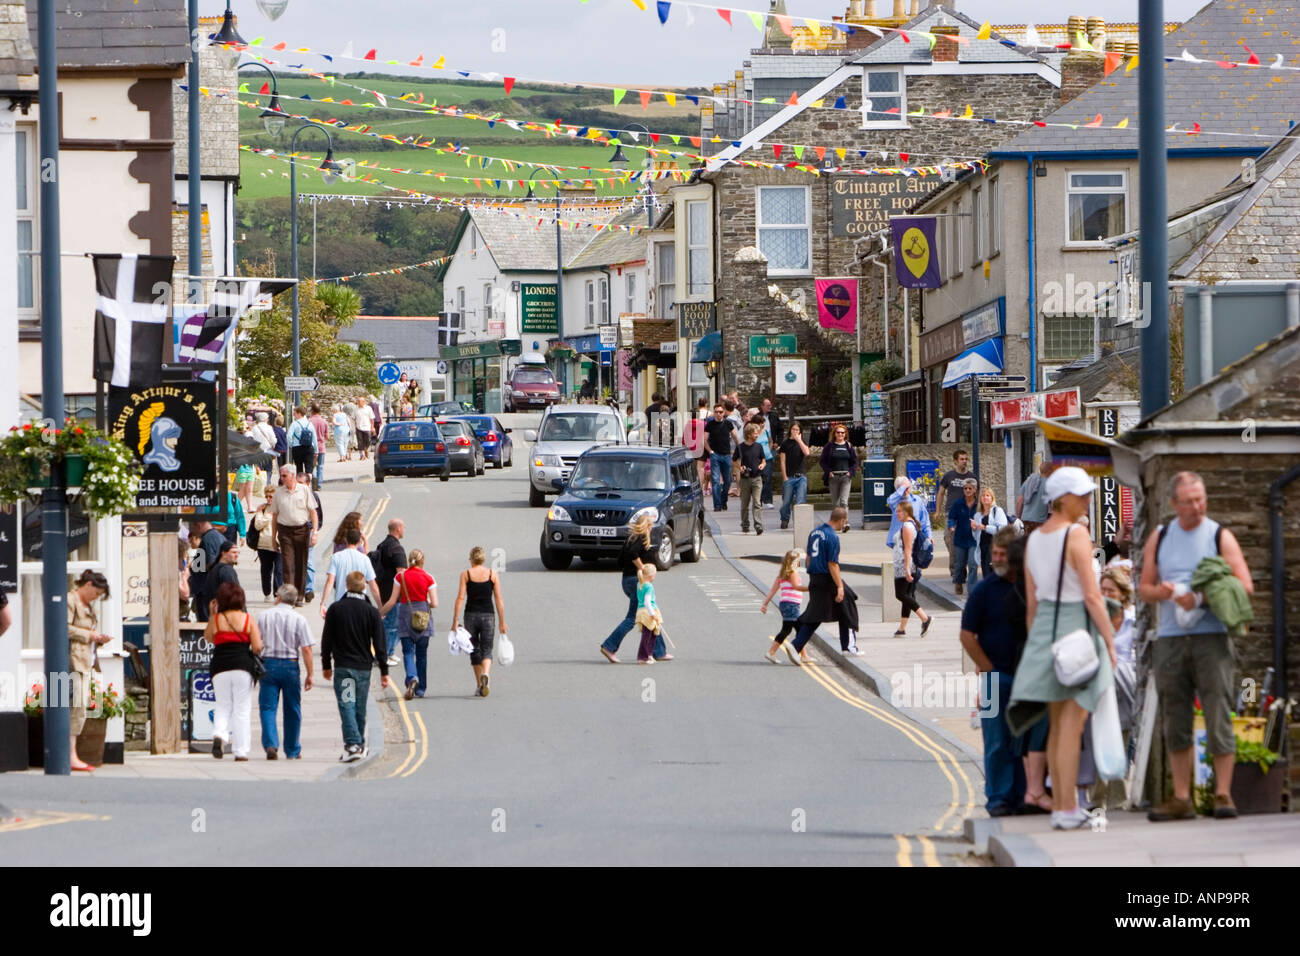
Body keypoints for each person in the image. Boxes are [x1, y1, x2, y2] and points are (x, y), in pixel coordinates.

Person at [1138, 471, 1253, 822]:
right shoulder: (1161, 535)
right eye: (1188, 501)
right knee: (1176, 716)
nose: (1197, 507)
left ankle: (1222, 794)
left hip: (1211, 636)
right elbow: (1144, 588)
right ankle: (1181, 798)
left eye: (1201, 499)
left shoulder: (1219, 535)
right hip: (1171, 638)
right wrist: (1168, 593)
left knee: (1218, 710)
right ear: (1173, 504)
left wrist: (1201, 598)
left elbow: (1244, 584)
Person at [1007, 466, 1117, 831]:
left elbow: (1034, 603)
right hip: (1076, 628)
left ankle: (1062, 807)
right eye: (1083, 494)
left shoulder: (1034, 539)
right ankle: (1068, 806)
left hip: (1046, 631)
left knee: (1057, 725)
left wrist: (1036, 646)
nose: (1088, 499)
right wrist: (1110, 643)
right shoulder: (1077, 534)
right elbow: (1092, 595)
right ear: (1063, 499)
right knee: (1072, 724)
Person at [958, 527, 1025, 815]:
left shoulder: (1027, 587)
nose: (995, 560)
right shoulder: (983, 590)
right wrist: (988, 670)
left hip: (1026, 677)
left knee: (1024, 741)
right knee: (995, 742)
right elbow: (967, 635)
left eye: (1001, 555)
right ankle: (998, 799)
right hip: (994, 679)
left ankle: (1023, 797)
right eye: (993, 554)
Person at [1003, 535, 1052, 814]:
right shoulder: (1026, 593)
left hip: (1012, 669)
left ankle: (1025, 794)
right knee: (1026, 729)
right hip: (1002, 673)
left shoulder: (1018, 591)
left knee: (1019, 729)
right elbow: (969, 636)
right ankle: (1026, 793)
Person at [321, 570, 389, 762]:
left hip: (344, 668)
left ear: (347, 586)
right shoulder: (371, 612)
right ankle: (358, 744)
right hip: (363, 669)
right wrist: (384, 671)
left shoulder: (336, 609)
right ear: (364, 586)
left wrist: (326, 664)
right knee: (359, 706)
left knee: (347, 704)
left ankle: (353, 744)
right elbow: (380, 644)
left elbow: (327, 640)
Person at [783, 506, 859, 664]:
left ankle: (797, 645)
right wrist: (839, 586)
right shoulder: (832, 536)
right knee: (847, 601)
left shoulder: (815, 532)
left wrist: (812, 574)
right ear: (842, 520)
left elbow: (808, 556)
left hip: (815, 576)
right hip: (827, 577)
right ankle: (848, 647)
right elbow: (833, 564)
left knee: (818, 614)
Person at [599, 514, 670, 663]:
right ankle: (609, 646)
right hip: (635, 581)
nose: (651, 529)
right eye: (650, 526)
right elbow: (632, 554)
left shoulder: (631, 538)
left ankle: (659, 651)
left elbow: (621, 558)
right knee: (633, 617)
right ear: (647, 526)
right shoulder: (641, 537)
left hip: (628, 580)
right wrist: (643, 569)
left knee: (650, 613)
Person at [206, 581, 264, 761]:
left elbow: (208, 638)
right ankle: (240, 751)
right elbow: (257, 646)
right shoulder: (247, 619)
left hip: (220, 666)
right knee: (242, 709)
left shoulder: (217, 619)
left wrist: (211, 615)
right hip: (242, 666)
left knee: (223, 705)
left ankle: (219, 735)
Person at [256, 584, 314, 760]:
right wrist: (310, 674)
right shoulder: (299, 619)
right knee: (293, 709)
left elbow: (256, 643)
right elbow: (306, 649)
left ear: (278, 598)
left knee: (267, 708)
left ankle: (271, 744)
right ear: (294, 601)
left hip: (268, 664)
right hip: (290, 665)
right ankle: (292, 749)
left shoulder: (263, 616)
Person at [66, 570, 113, 771]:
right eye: (96, 593)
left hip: (85, 660)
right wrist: (91, 635)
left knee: (79, 708)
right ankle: (70, 756)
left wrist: (98, 639)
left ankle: (72, 755)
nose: (96, 597)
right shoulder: (70, 600)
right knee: (74, 708)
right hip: (73, 661)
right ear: (88, 585)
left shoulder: (86, 605)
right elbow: (64, 627)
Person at [452, 546, 509, 697]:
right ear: (483, 559)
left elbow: (460, 598)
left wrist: (455, 620)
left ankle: (479, 684)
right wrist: (502, 622)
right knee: (487, 649)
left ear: (471, 559)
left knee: (474, 650)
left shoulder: (466, 574)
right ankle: (486, 674)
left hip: (470, 615)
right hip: (488, 615)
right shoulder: (492, 574)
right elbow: (499, 600)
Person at [268, 465, 318, 604]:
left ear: (292, 475)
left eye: (284, 476)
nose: (281, 478)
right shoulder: (279, 493)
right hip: (285, 532)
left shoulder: (304, 490)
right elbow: (274, 517)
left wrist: (315, 533)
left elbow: (313, 512)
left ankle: (300, 596)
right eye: (281, 476)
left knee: (301, 564)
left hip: (302, 530)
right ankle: (290, 597)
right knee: (287, 565)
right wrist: (273, 538)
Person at [394, 549, 436, 699]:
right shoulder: (428, 577)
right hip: (423, 616)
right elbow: (435, 603)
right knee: (422, 654)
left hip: (406, 615)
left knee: (408, 652)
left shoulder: (401, 576)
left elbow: (394, 599)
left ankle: (412, 677)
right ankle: (421, 689)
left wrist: (381, 611)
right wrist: (427, 601)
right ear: (422, 561)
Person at [371, 519, 408, 667]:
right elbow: (402, 574)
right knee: (392, 625)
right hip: (394, 594)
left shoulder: (383, 545)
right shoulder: (397, 549)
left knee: (392, 624)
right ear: (398, 529)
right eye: (403, 527)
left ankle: (390, 652)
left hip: (383, 589)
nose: (404, 529)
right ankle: (384, 655)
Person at [892, 501, 933, 638]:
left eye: (899, 511)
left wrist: (907, 570)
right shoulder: (911, 525)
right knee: (908, 596)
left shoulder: (907, 526)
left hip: (905, 566)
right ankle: (902, 628)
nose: (897, 513)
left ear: (907, 512)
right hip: (906, 565)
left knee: (901, 595)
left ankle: (925, 618)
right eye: (897, 511)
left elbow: (908, 549)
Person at [320, 527, 382, 613]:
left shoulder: (336, 557)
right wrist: (380, 606)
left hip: (341, 603)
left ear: (346, 540)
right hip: (360, 604)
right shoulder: (365, 559)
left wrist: (323, 604)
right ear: (359, 541)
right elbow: (373, 585)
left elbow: (330, 581)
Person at [762, 549, 807, 663]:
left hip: (785, 604)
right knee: (787, 630)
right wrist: (811, 588)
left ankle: (805, 656)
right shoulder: (793, 573)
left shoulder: (781, 576)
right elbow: (797, 587)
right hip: (791, 605)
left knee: (800, 629)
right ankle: (771, 652)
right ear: (795, 562)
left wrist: (765, 604)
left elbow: (772, 591)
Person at [936, 450, 977, 569]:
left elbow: (978, 495)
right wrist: (938, 511)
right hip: (951, 514)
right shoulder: (949, 476)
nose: (964, 461)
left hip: (968, 514)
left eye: (965, 459)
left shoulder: (972, 477)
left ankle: (959, 568)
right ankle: (956, 568)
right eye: (961, 459)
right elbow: (941, 493)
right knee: (949, 538)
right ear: (955, 461)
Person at [947, 479, 982, 595]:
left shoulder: (979, 504)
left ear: (975, 490)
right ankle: (958, 581)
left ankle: (972, 589)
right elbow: (951, 517)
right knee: (960, 564)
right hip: (960, 538)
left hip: (973, 539)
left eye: (970, 488)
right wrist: (951, 526)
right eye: (965, 488)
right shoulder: (958, 503)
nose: (967, 490)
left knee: (973, 563)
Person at [703, 402, 738, 513]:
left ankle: (724, 500)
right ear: (714, 413)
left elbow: (735, 436)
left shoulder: (728, 424)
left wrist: (739, 449)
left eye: (721, 412)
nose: (718, 414)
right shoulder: (710, 424)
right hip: (715, 456)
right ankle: (717, 505)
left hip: (727, 455)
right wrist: (710, 451)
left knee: (727, 481)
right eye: (716, 412)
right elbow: (704, 440)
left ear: (724, 413)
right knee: (715, 480)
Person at [250, 487, 284, 600]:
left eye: (271, 496)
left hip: (278, 545)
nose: (269, 499)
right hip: (263, 545)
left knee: (279, 571)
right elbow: (257, 525)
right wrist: (270, 517)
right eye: (267, 496)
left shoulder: (282, 508)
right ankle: (266, 592)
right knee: (265, 570)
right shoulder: (262, 509)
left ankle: (277, 594)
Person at [191, 519, 227, 623]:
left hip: (204, 590)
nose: (193, 532)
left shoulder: (207, 540)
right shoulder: (220, 537)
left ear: (198, 525)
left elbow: (209, 564)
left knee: (205, 622)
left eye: (193, 527)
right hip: (211, 589)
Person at [733, 422, 766, 535]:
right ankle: (745, 524)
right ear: (749, 434)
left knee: (757, 502)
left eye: (757, 433)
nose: (757, 435)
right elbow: (734, 460)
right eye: (755, 433)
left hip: (757, 478)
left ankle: (758, 525)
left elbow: (763, 460)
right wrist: (740, 467)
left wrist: (762, 465)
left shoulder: (759, 446)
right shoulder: (741, 447)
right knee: (745, 504)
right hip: (745, 479)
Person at [777, 421, 810, 531]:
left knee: (801, 500)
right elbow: (782, 461)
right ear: (790, 430)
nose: (795, 432)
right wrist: (785, 477)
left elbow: (807, 453)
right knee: (786, 501)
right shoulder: (785, 444)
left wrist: (799, 440)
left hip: (801, 476)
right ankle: (784, 519)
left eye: (797, 430)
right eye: (793, 429)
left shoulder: (801, 442)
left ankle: (800, 522)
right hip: (789, 477)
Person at [819, 424, 858, 512]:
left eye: (842, 432)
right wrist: (829, 472)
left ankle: (845, 523)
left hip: (846, 477)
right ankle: (837, 523)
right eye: (838, 432)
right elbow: (822, 461)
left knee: (844, 502)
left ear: (845, 434)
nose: (840, 434)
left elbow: (855, 461)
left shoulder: (849, 446)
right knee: (835, 503)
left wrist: (850, 472)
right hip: (833, 477)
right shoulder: (829, 446)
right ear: (834, 434)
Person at [974, 487, 1010, 580]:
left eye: (987, 495)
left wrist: (986, 528)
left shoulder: (997, 511)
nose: (985, 497)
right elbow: (976, 536)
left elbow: (1002, 529)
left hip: (994, 546)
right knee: (985, 573)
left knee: (993, 573)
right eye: (983, 496)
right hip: (982, 547)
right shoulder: (978, 515)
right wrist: (974, 529)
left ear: (992, 498)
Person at [886, 476, 930, 551]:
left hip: (915, 540)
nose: (906, 491)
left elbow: (925, 521)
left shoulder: (917, 500)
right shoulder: (895, 501)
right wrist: (902, 488)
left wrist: (929, 536)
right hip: (899, 542)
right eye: (903, 489)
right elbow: (890, 501)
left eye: (907, 488)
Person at [634, 564, 664, 664]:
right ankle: (643, 657)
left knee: (651, 634)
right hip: (648, 612)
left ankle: (649, 654)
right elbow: (647, 602)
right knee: (648, 636)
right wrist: (652, 614)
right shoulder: (649, 586)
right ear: (651, 576)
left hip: (641, 611)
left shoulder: (640, 583)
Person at [1016, 460, 1052, 534]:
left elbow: (1019, 501)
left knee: (1027, 542)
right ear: (1050, 471)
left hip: (1025, 520)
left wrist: (1019, 517)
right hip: (1039, 521)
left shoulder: (1028, 482)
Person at [288, 406, 318, 482]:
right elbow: (314, 438)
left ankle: (300, 485)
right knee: (309, 469)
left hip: (297, 448)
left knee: (299, 467)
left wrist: (291, 444)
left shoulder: (294, 424)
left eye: (294, 413)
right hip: (309, 447)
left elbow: (289, 436)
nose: (294, 415)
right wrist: (316, 450)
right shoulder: (309, 424)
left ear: (299, 413)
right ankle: (308, 484)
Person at [753, 411, 775, 508]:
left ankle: (768, 500)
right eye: (761, 422)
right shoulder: (753, 433)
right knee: (758, 480)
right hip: (757, 459)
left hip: (767, 458)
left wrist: (769, 450)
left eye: (763, 422)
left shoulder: (766, 431)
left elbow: (770, 441)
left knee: (768, 478)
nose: (763, 424)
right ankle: (758, 499)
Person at [250, 412, 279, 485]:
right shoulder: (269, 428)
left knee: (259, 468)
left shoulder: (254, 428)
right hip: (268, 450)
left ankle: (260, 484)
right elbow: (273, 440)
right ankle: (267, 484)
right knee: (268, 469)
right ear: (266, 419)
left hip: (257, 451)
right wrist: (273, 446)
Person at [309, 403, 330, 488]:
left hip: (311, 446)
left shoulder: (309, 421)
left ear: (312, 411)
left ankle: (313, 482)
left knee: (312, 465)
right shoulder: (324, 422)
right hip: (321, 447)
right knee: (320, 466)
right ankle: (319, 484)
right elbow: (327, 436)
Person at [354, 394, 374, 461]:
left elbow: (371, 419)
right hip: (358, 427)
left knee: (368, 441)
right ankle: (362, 455)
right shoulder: (355, 409)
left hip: (367, 427)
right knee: (360, 442)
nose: (359, 403)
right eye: (358, 401)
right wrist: (354, 427)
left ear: (363, 402)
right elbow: (353, 418)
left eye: (360, 401)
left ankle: (365, 450)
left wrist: (372, 427)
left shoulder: (368, 408)